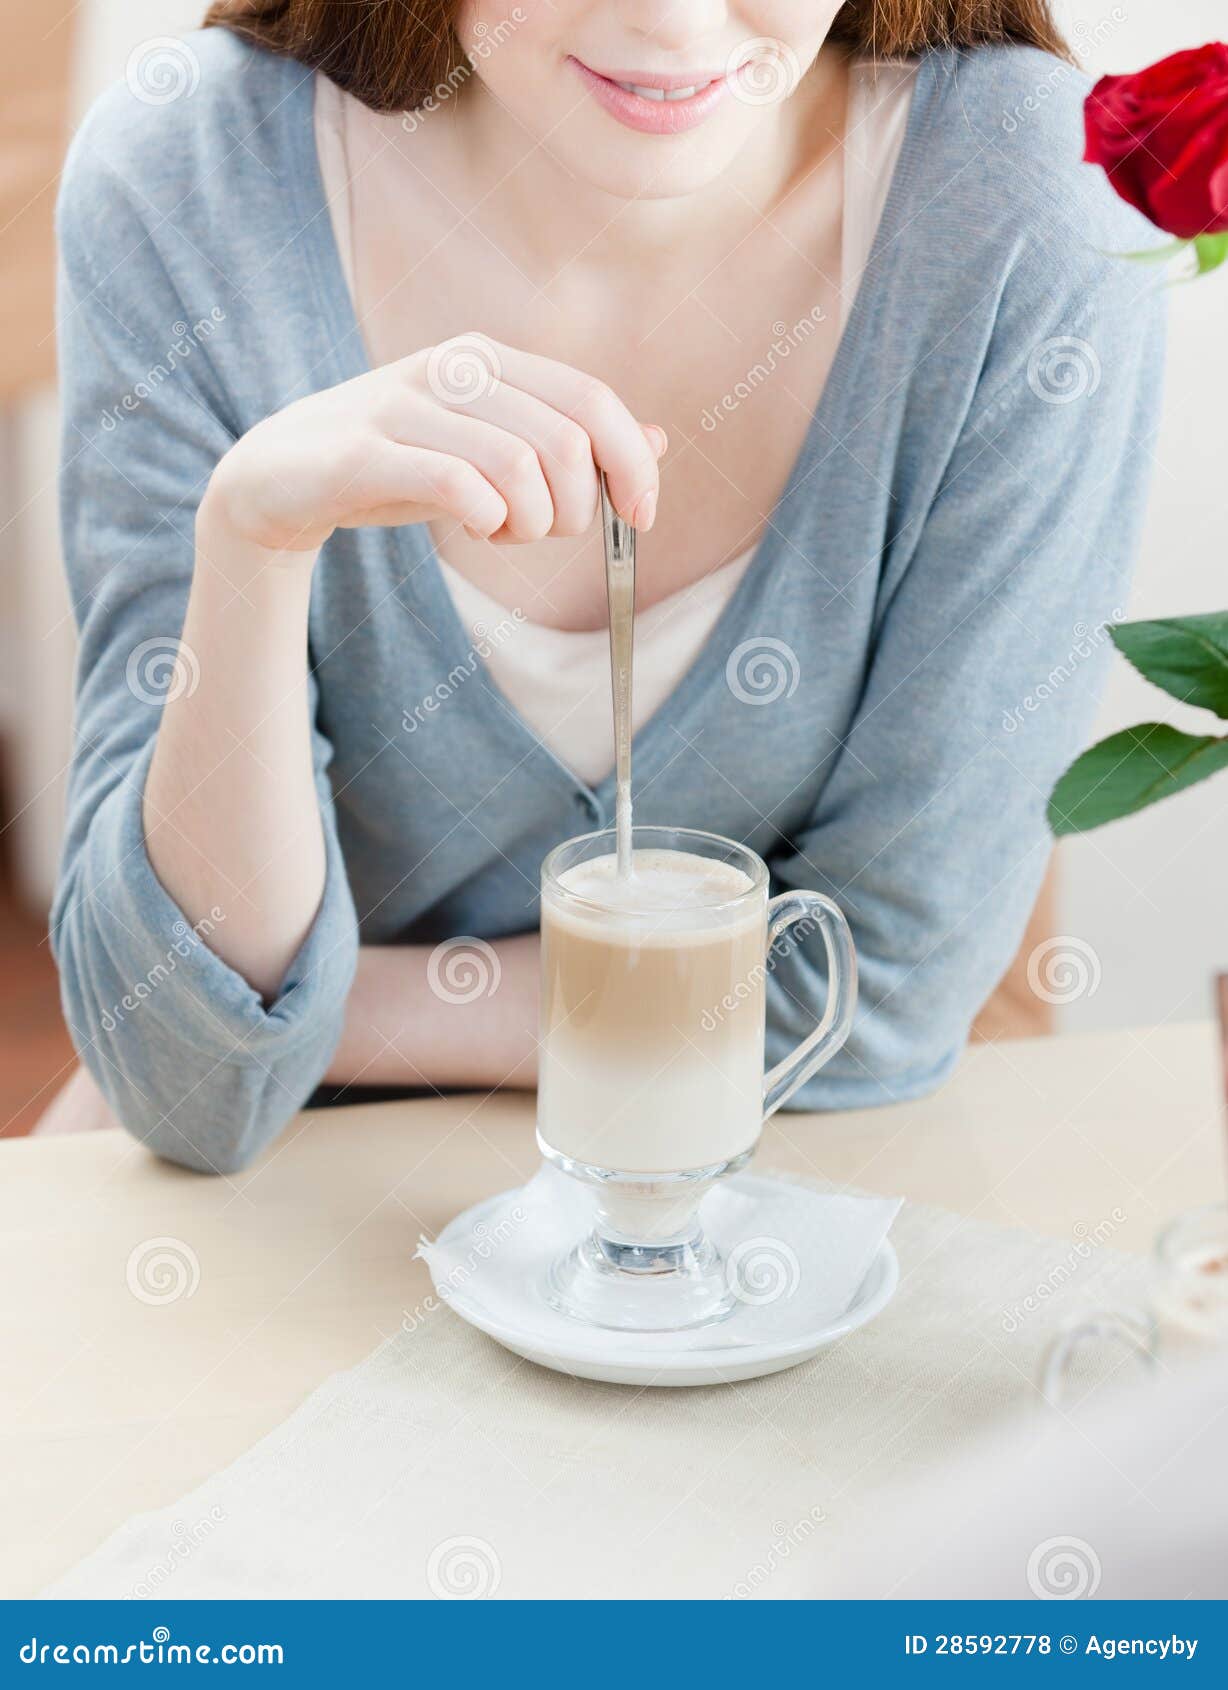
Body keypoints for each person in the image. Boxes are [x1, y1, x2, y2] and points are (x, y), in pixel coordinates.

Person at [50, 1, 1165, 1172]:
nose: (673, 23)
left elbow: (876, 1001)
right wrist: (255, 545)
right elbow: (179, 1076)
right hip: (293, 1192)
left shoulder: (1026, 197)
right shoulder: (189, 182)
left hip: (776, 1186)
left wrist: (294, 1024)